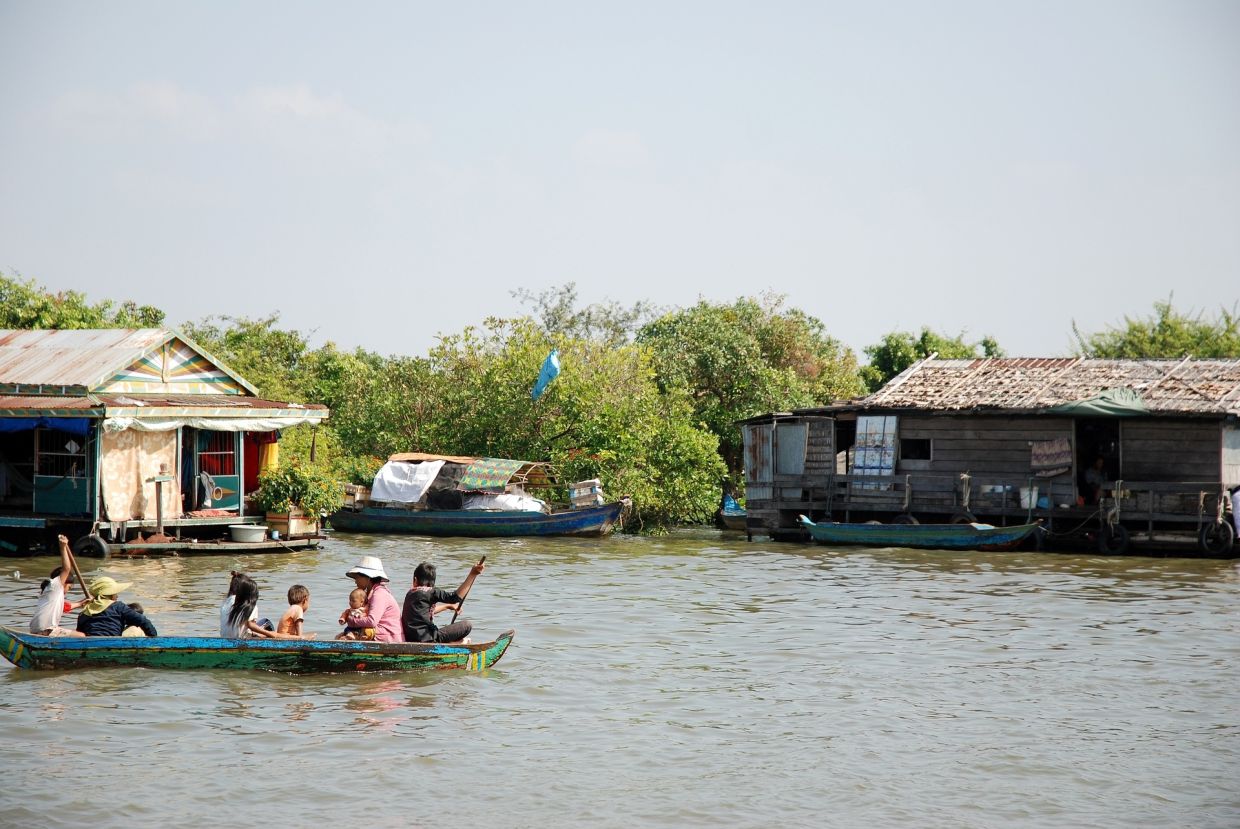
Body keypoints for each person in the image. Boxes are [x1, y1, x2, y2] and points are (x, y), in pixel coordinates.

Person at [401, 559, 485, 644]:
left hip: (411, 639)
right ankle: (454, 644)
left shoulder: (410, 594)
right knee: (467, 625)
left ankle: (452, 643)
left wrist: (447, 606)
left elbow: (424, 612)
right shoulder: (431, 592)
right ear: (433, 583)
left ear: (415, 580)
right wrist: (472, 574)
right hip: (429, 639)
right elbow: (455, 598)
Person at [29, 534, 87, 637]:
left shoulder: (51, 593)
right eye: (70, 587)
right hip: (46, 629)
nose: (68, 590)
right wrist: (63, 547)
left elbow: (64, 607)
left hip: (35, 629)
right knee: (82, 636)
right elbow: (66, 568)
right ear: (64, 583)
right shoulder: (55, 586)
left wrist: (81, 603)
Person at [221, 573, 308, 639]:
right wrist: (272, 634)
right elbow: (251, 625)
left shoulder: (226, 601)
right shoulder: (247, 604)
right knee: (267, 622)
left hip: (225, 637)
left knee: (261, 630)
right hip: (242, 638)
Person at [344, 556, 403, 642]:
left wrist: (352, 621)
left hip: (388, 637)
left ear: (368, 577)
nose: (355, 581)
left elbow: (372, 621)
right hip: (379, 634)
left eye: (357, 577)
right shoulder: (370, 593)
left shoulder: (379, 594)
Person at [77, 577, 158, 637]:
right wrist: (155, 638)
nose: (117, 596)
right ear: (111, 595)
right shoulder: (119, 606)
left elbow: (80, 633)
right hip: (113, 642)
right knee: (136, 629)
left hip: (91, 644)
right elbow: (143, 621)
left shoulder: (84, 611)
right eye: (115, 594)